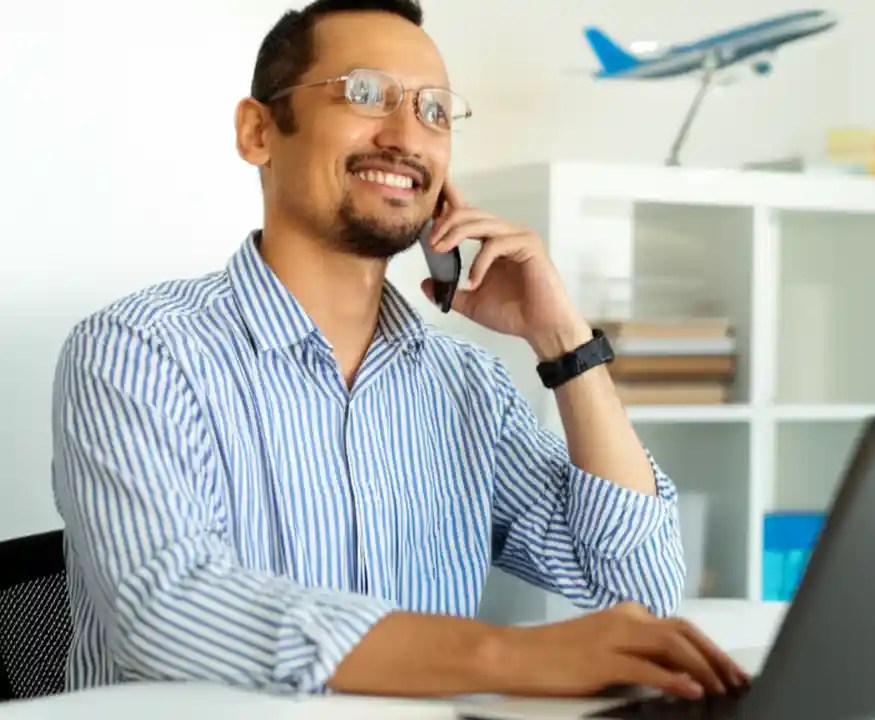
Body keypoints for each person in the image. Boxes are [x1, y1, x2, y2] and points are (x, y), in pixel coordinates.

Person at [49, 0, 745, 702]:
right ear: (259, 131)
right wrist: (509, 657)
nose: (408, 136)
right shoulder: (139, 353)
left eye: (435, 111)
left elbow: (638, 588)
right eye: (363, 94)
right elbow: (170, 612)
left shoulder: (466, 387)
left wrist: (564, 344)